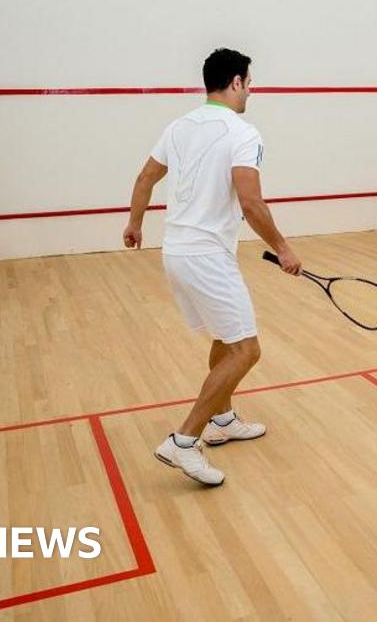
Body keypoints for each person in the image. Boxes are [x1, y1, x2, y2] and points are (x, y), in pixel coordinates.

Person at [123, 48, 302, 486]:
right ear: (237, 82)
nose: (251, 91)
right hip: (206, 257)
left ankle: (222, 420)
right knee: (247, 350)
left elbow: (146, 177)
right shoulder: (242, 132)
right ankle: (184, 442)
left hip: (177, 252)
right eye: (250, 83)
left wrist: (134, 223)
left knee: (225, 339)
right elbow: (250, 201)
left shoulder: (179, 126)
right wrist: (282, 248)